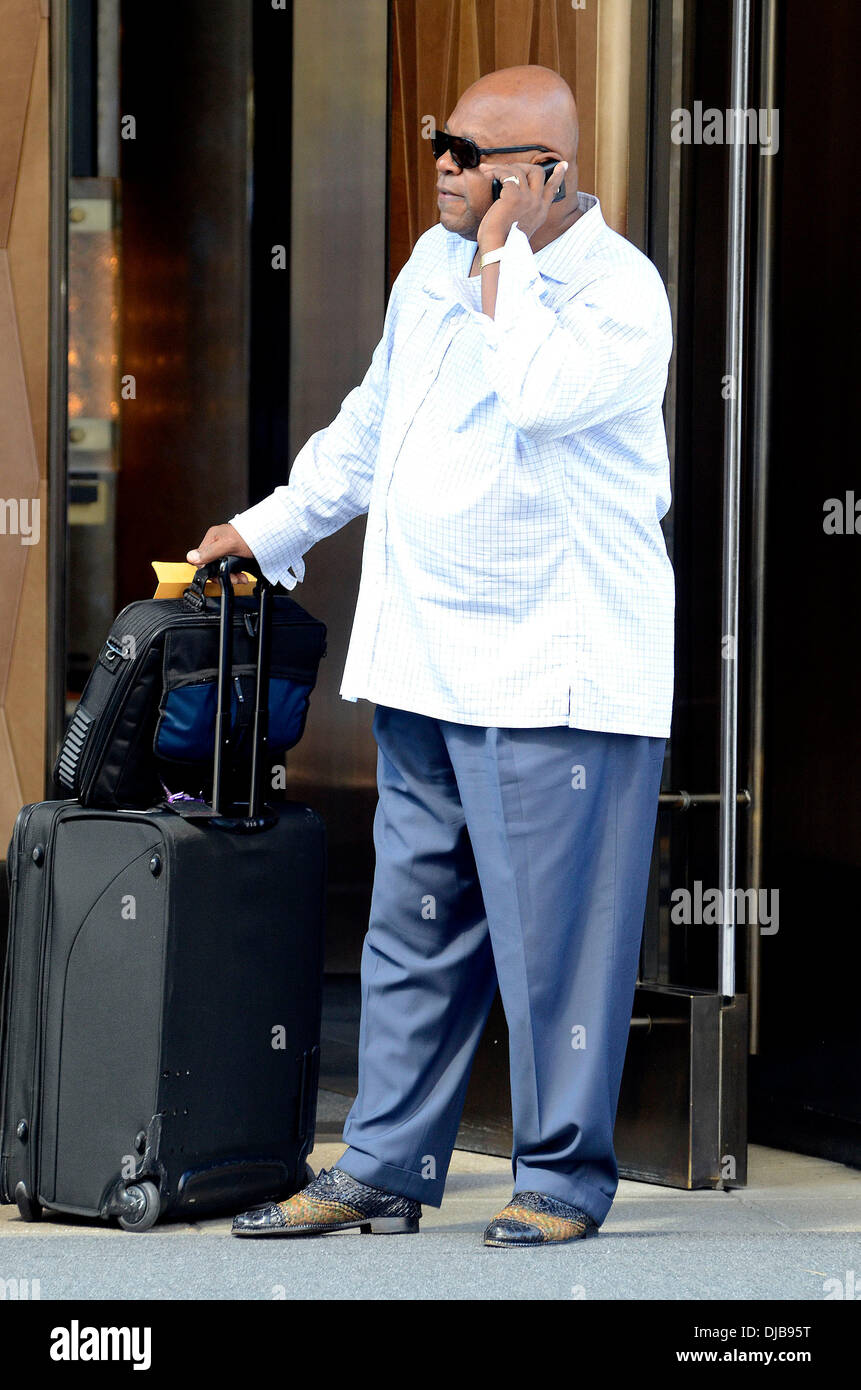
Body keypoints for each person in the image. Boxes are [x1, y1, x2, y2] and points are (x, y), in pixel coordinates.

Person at [187, 64, 674, 1247]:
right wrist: (269, 524)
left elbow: (541, 392)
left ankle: (562, 1179)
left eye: (472, 153)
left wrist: (503, 258)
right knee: (409, 925)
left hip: (551, 672)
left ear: (546, 172)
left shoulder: (618, 292)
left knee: (554, 950)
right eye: (439, 142)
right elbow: (372, 419)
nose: (444, 167)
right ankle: (385, 1163)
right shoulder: (429, 264)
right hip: (424, 657)